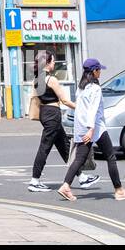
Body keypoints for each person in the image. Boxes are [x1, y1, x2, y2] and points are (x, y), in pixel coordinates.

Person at [58, 58, 125, 202]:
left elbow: (80, 110)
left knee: (79, 158)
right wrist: (91, 129)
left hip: (82, 127)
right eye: (99, 70)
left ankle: (66, 186)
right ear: (94, 71)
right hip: (95, 127)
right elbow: (92, 110)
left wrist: (81, 130)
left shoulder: (81, 88)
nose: (100, 72)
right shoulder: (95, 89)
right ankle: (119, 190)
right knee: (110, 156)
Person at [28, 50, 99, 193]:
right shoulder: (51, 79)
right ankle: (34, 180)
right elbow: (65, 100)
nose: (54, 64)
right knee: (45, 147)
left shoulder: (37, 79)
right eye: (53, 61)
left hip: (45, 114)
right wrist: (81, 108)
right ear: (47, 63)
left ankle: (81, 176)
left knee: (64, 146)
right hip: (52, 115)